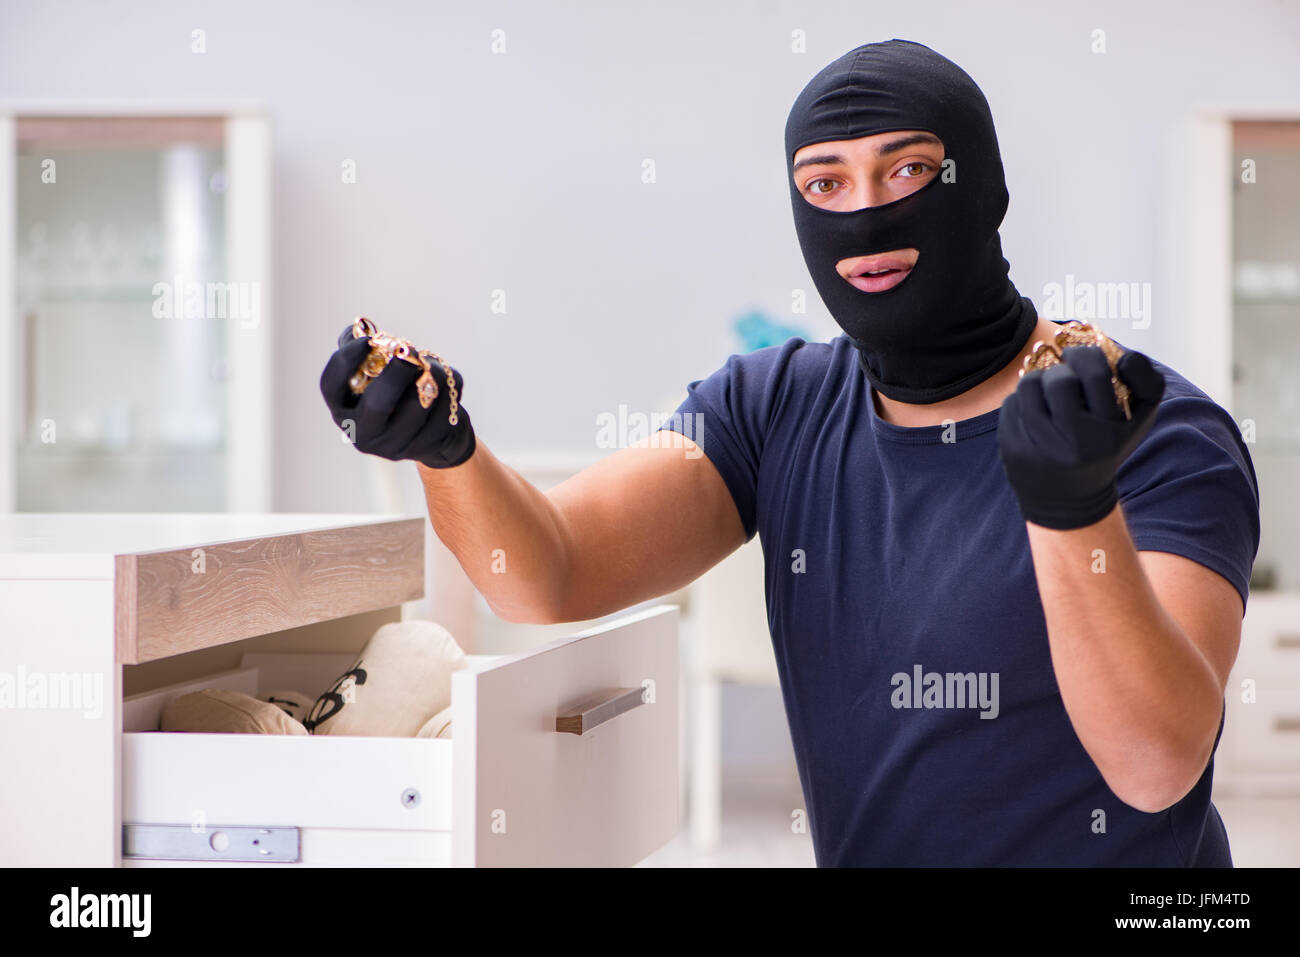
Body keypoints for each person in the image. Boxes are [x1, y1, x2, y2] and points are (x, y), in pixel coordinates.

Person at [319, 39, 1260, 866]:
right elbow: (543, 576)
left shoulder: (1155, 427)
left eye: (906, 171)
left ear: (987, 189)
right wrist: (447, 451)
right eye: (825, 183)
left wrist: (1069, 507)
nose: (865, 218)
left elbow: (1153, 767)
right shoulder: (775, 404)